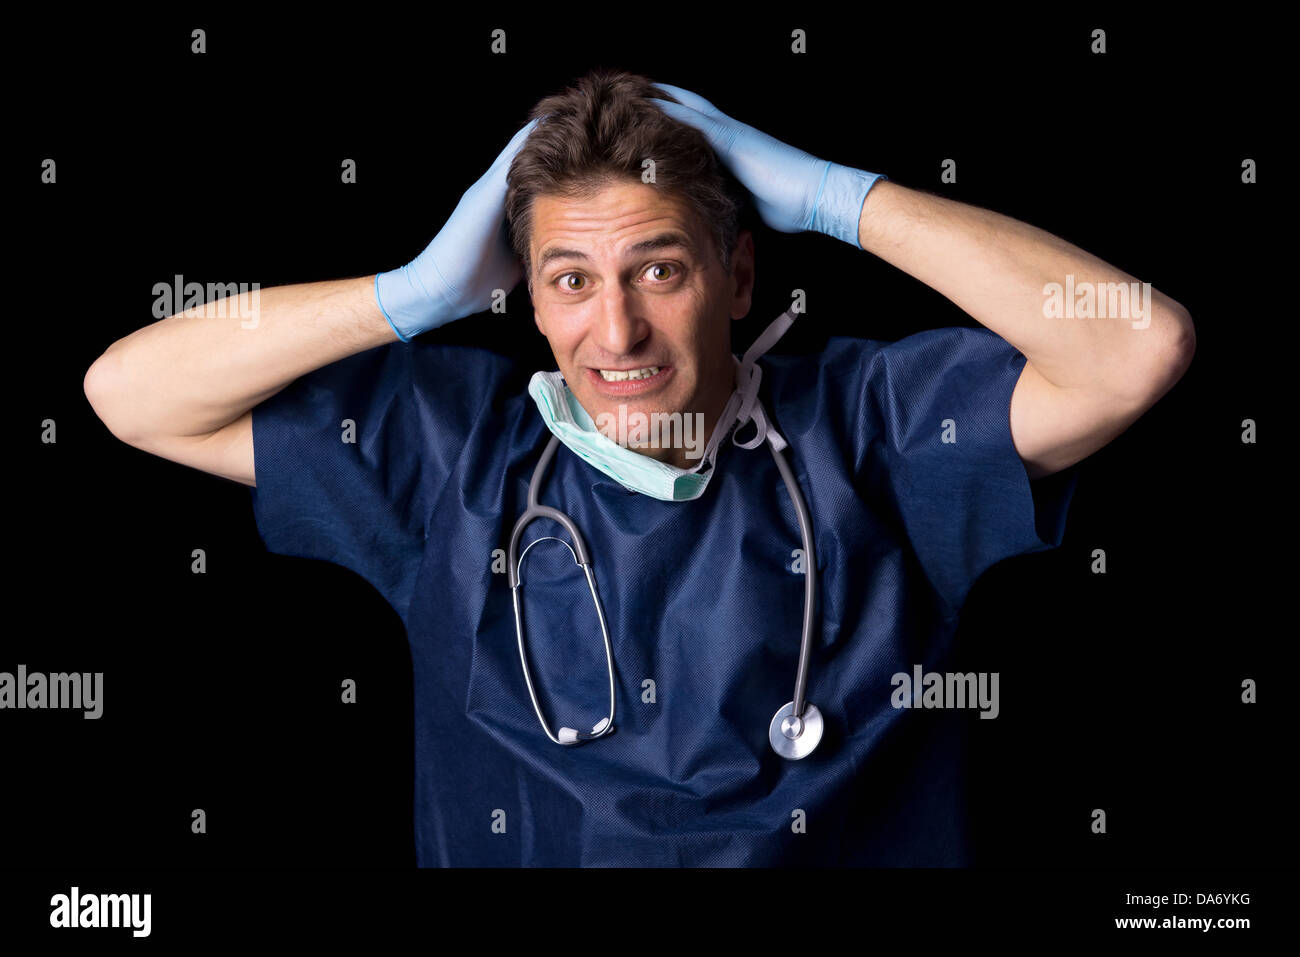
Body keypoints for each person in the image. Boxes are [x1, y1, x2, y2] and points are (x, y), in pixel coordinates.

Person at [83, 68, 1195, 866]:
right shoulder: (448, 449)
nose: (616, 334)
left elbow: (1134, 347)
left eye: (658, 270)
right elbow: (127, 396)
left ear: (740, 277)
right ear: (522, 297)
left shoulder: (875, 427)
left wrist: (835, 198)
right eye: (569, 280)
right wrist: (404, 296)